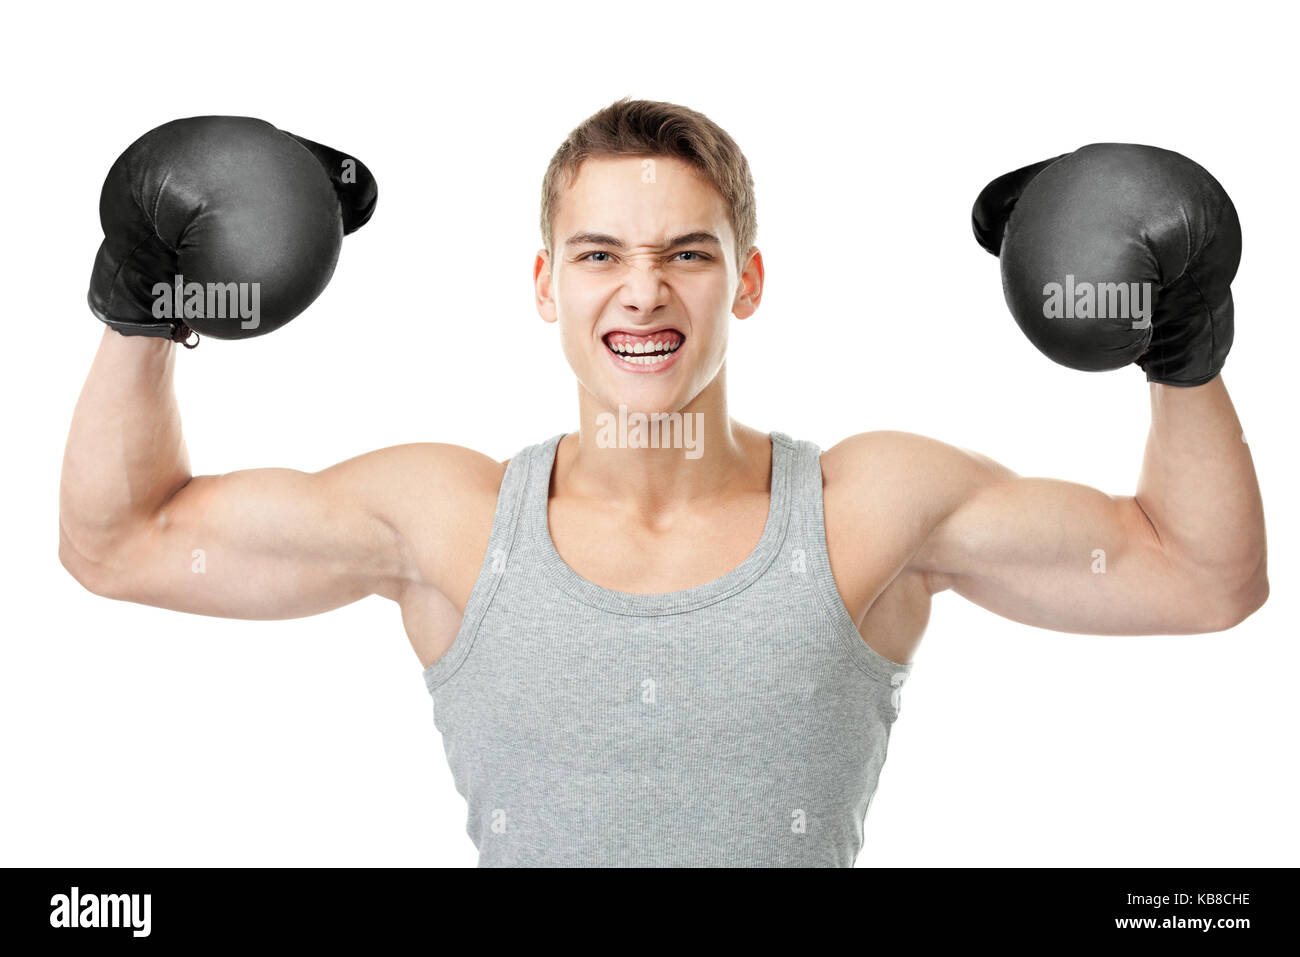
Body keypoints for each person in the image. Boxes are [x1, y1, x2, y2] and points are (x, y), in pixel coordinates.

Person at [59, 99, 1268, 867]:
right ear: (547, 286)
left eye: (687, 254)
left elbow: (1201, 575)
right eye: (601, 256)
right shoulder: (447, 521)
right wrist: (140, 310)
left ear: (744, 283)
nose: (643, 293)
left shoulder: (872, 512)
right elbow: (121, 543)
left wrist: (1180, 349)